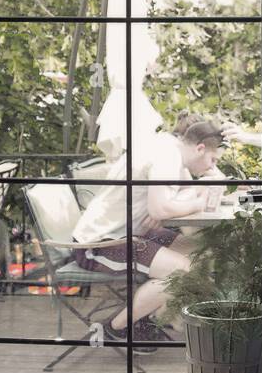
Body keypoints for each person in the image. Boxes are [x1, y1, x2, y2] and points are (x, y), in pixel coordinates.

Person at [71, 116, 226, 341]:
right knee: (183, 272)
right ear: (200, 148)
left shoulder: (171, 148)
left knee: (198, 251)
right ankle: (117, 327)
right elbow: (162, 209)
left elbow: (178, 195)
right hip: (100, 242)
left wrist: (168, 207)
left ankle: (153, 316)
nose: (213, 167)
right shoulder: (166, 155)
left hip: (132, 232)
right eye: (212, 160)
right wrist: (190, 204)